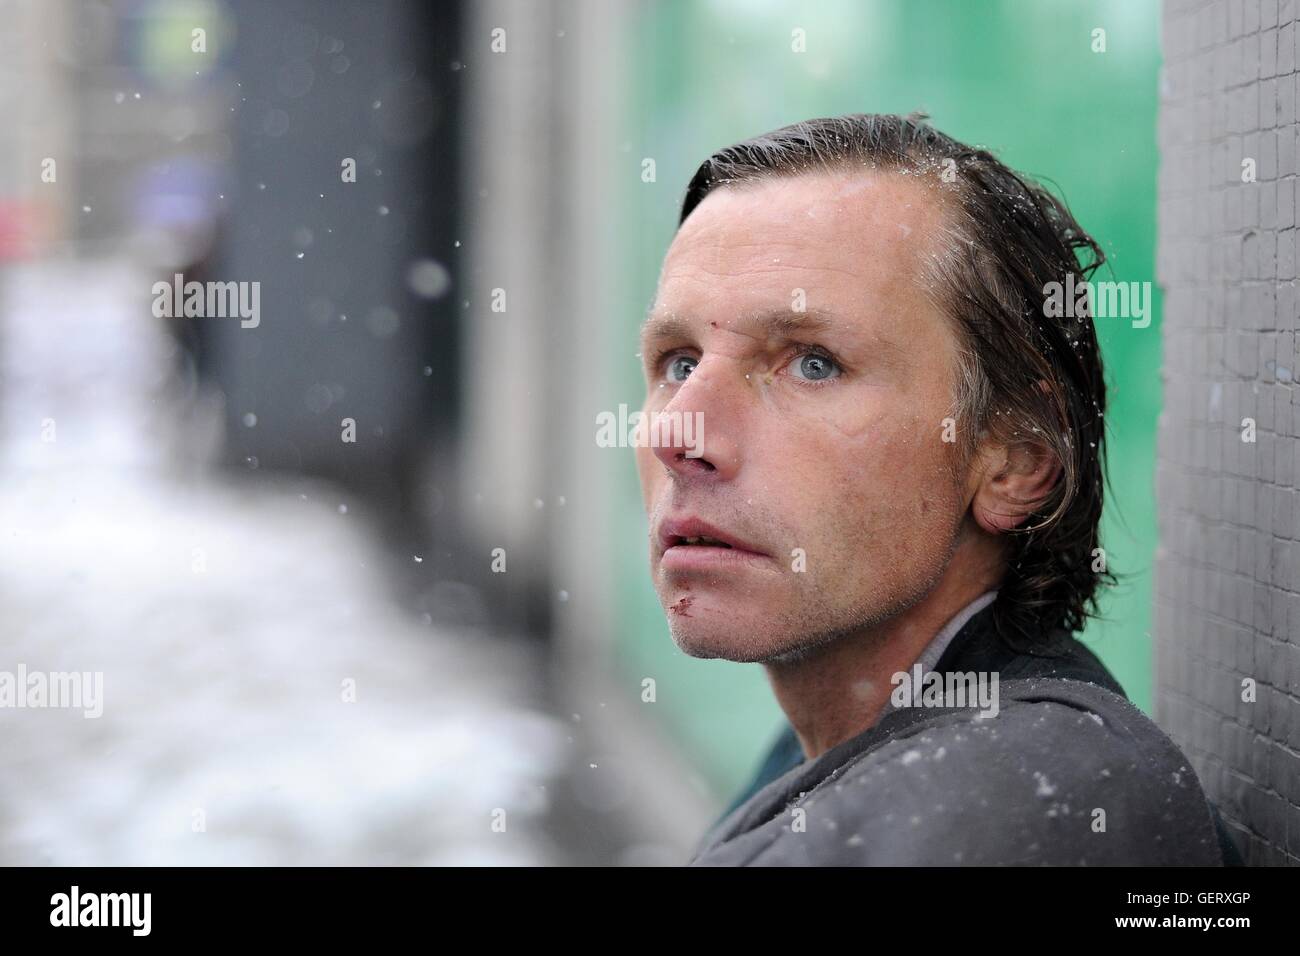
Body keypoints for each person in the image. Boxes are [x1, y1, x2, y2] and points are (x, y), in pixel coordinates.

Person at [633, 113, 1240, 865]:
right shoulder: (841, 747)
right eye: (680, 363)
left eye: (814, 363)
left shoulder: (1029, 799)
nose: (679, 434)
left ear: (1018, 461)